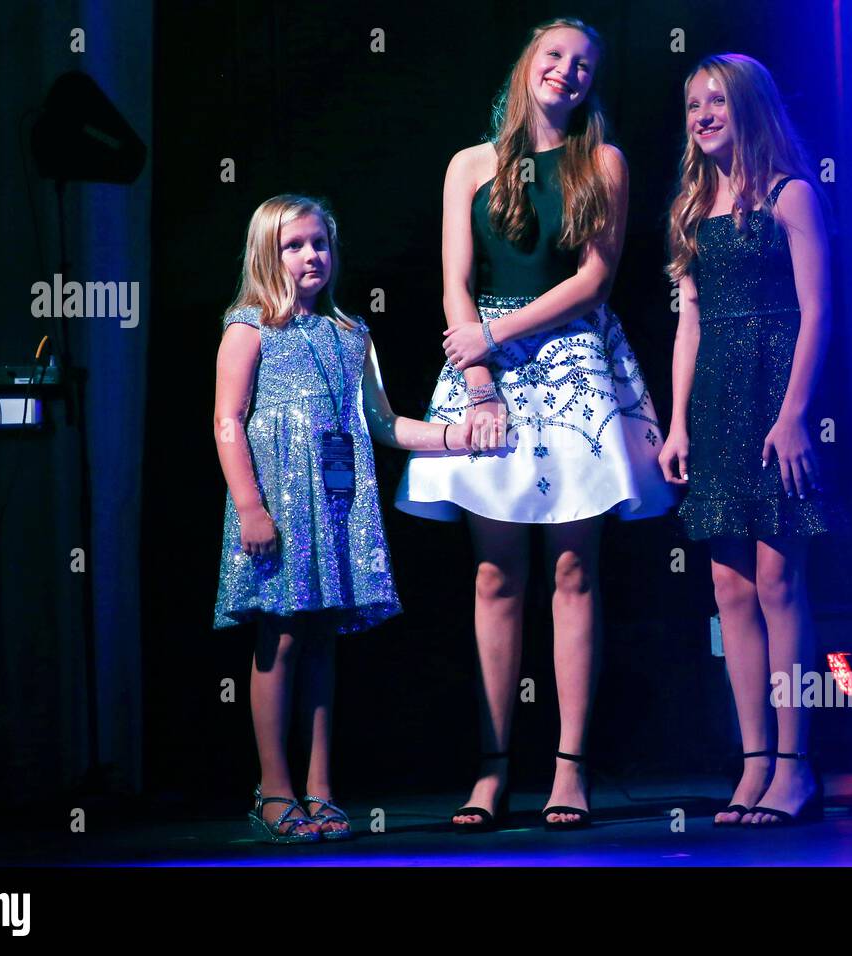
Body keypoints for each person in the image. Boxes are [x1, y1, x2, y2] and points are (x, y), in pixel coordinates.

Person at [395, 18, 675, 831]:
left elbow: (595, 280)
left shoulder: (605, 163)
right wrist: (479, 380)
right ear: (525, 67)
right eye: (554, 56)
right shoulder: (470, 166)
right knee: (494, 572)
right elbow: (455, 285)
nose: (568, 71)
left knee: (574, 572)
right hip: (485, 369)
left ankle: (569, 769)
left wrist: (498, 333)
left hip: (574, 364)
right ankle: (490, 770)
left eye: (584, 63)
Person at [213, 194, 479, 843]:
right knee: (279, 637)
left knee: (324, 639)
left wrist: (456, 436)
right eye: (295, 245)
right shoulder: (249, 327)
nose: (311, 256)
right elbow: (228, 420)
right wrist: (250, 505)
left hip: (335, 505)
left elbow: (383, 423)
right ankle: (274, 788)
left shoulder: (351, 333)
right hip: (277, 499)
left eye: (320, 244)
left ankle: (321, 785)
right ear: (267, 255)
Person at [659, 54, 846, 826]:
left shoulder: (791, 194)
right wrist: (676, 423)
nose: (702, 114)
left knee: (777, 582)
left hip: (777, 395)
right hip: (716, 401)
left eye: (717, 102)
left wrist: (795, 412)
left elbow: (817, 309)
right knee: (729, 589)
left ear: (750, 108)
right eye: (693, 103)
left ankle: (796, 767)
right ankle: (754, 762)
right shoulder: (691, 204)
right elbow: (690, 321)